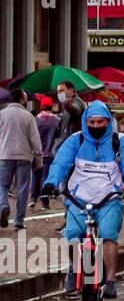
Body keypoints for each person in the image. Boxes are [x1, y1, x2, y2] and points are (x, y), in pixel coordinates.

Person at [43, 100, 124, 300]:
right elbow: (60, 162)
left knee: (108, 235)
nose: (96, 126)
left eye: (100, 122)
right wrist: (51, 182)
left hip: (109, 199)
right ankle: (73, 268)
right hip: (78, 199)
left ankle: (112, 280)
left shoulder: (119, 141)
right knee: (71, 234)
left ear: (108, 121)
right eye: (92, 122)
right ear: (85, 122)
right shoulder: (75, 140)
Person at [0, 89, 45, 230]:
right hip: (24, 157)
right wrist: (38, 158)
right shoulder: (28, 116)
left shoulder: (1, 114)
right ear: (21, 99)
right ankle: (19, 220)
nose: (27, 101)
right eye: (25, 98)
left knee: (2, 185)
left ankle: (3, 205)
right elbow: (35, 140)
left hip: (5, 155)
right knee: (23, 188)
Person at [31, 95, 59, 207]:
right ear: (51, 106)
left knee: (35, 175)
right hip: (50, 152)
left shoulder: (35, 119)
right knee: (45, 176)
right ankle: (44, 202)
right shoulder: (56, 120)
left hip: (36, 152)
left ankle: (33, 198)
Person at [54, 81, 86, 150]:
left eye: (62, 90)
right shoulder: (66, 104)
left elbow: (75, 110)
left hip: (73, 143)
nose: (59, 93)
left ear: (71, 90)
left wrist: (68, 106)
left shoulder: (77, 101)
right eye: (58, 91)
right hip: (66, 142)